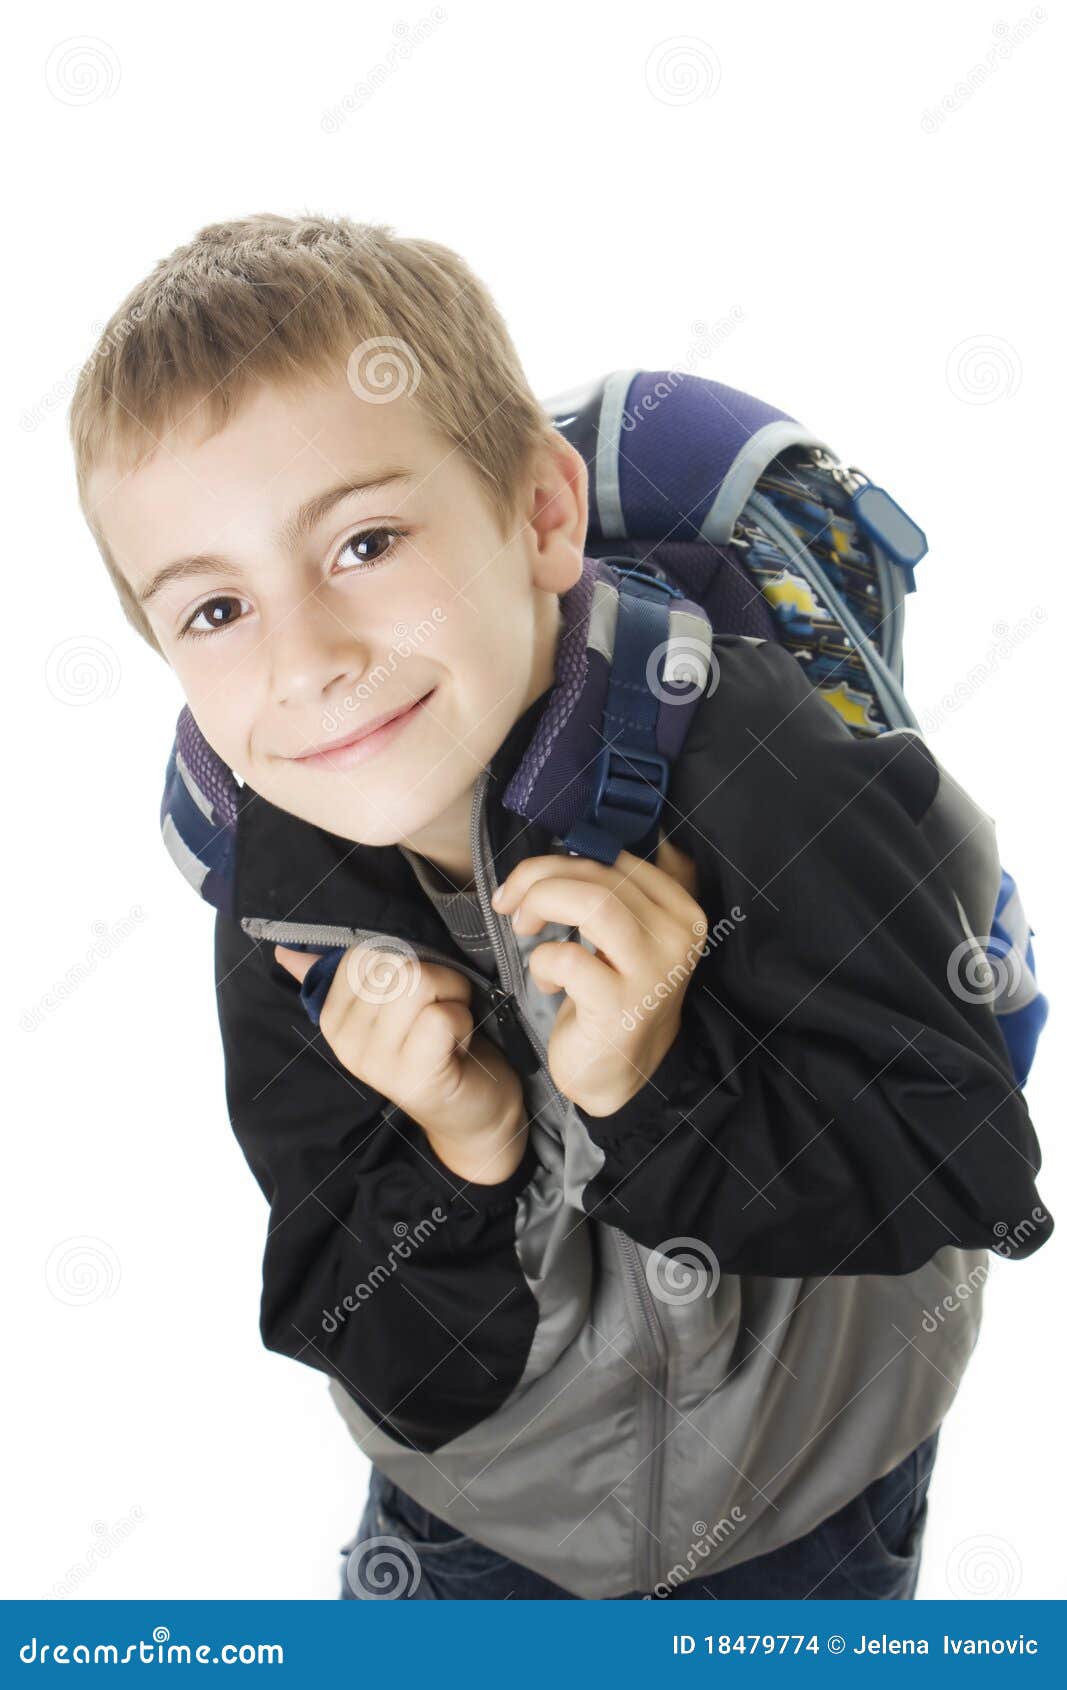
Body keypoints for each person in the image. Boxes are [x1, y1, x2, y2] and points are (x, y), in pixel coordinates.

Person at [67, 213, 1050, 1601]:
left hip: (803, 1501)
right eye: (216, 611)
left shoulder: (750, 753)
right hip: (481, 1513)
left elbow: (968, 1174)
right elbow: (388, 1346)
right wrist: (464, 1144)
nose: (311, 661)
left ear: (543, 513)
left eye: (363, 543)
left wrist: (656, 1090)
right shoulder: (279, 883)